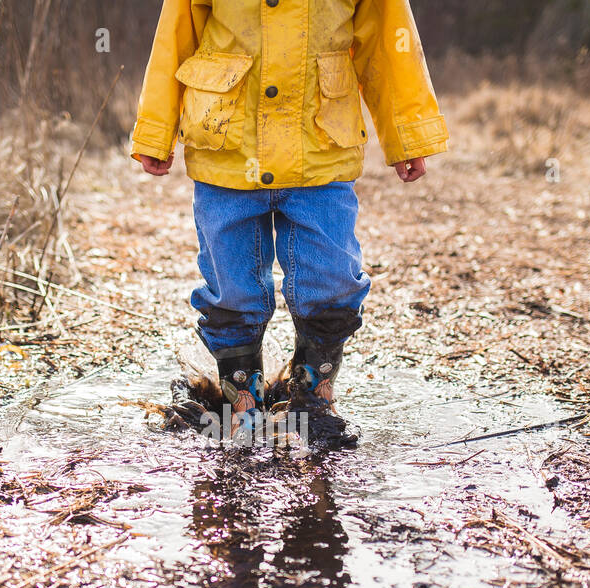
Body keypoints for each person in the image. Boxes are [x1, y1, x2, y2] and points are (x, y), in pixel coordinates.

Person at [130, 0, 448, 445]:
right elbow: (174, 40)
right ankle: (243, 404)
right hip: (228, 152)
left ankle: (312, 401)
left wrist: (408, 132)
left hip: (321, 150)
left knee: (333, 281)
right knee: (231, 288)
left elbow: (388, 45)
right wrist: (155, 128)